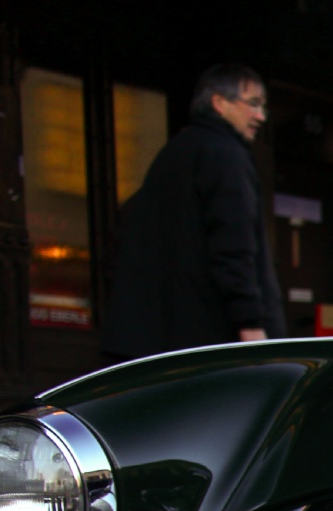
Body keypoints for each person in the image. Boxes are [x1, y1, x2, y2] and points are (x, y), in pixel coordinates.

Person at [100, 63, 285, 360]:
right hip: (211, 339)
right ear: (219, 102)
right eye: (252, 104)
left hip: (157, 341)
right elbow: (233, 245)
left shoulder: (172, 155)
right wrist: (250, 322)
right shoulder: (226, 157)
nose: (260, 117)